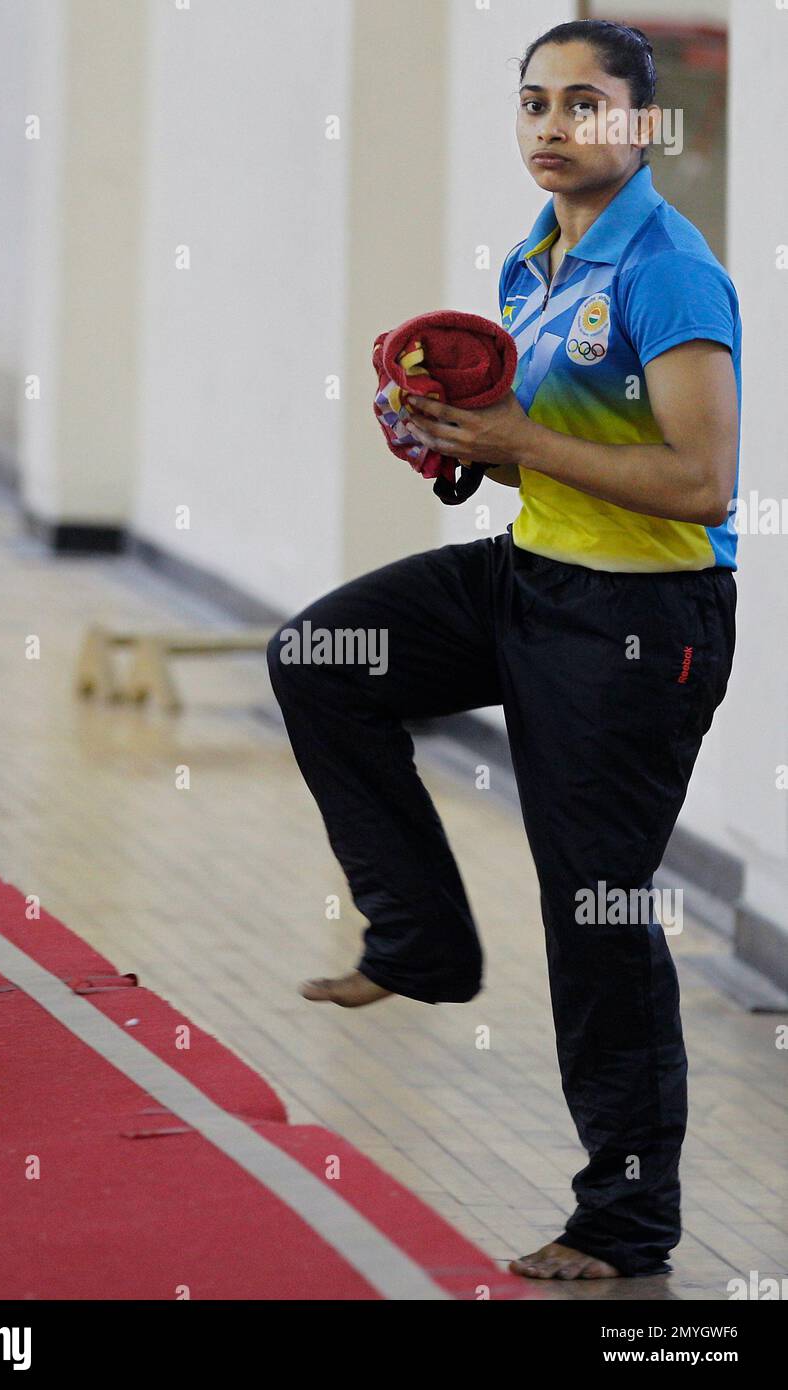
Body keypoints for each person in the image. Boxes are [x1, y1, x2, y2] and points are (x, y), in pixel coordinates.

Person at [266, 19, 741, 1281]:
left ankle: (623, 1222)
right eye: (532, 102)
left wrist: (517, 441)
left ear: (642, 124)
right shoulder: (537, 257)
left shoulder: (670, 270)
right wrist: (446, 439)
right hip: (529, 576)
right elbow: (524, 438)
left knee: (595, 911)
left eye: (583, 104)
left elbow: (699, 480)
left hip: (641, 624)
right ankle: (418, 938)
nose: (550, 124)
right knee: (321, 658)